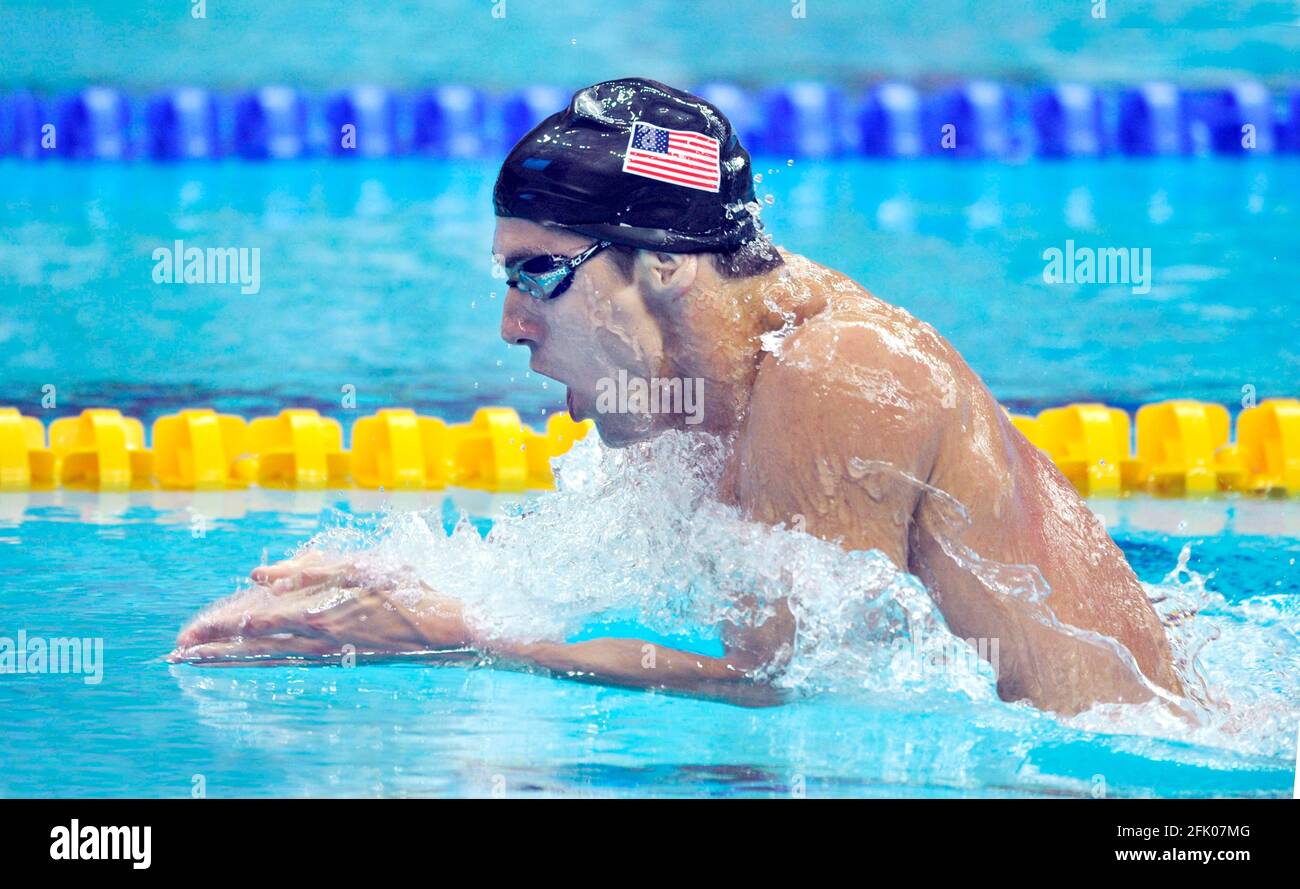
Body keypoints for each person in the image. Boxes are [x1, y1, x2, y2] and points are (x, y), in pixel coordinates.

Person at [171, 78, 1182, 715]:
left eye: (537, 275)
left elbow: (791, 689)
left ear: (659, 264)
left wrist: (457, 636)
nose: (510, 327)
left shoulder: (840, 373)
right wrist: (418, 588)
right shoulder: (696, 378)